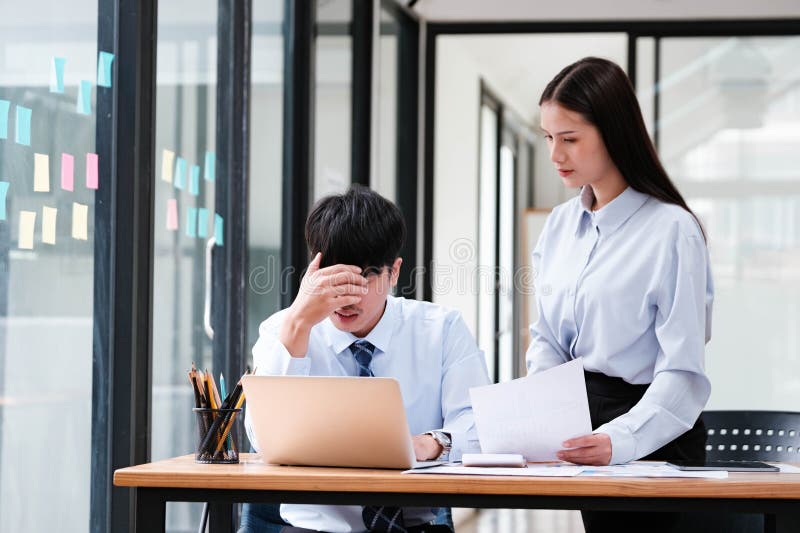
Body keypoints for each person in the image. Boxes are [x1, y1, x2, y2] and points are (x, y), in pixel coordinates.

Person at [527, 57, 714, 532]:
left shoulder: (673, 230)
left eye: (569, 139)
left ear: (613, 132)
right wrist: (544, 412)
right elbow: (546, 337)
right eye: (548, 138)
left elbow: (684, 372)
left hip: (653, 432)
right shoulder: (560, 225)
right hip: (583, 422)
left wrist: (621, 438)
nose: (555, 155)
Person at [240, 186, 490, 533]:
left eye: (366, 274)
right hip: (312, 529)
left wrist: (430, 443)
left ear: (395, 272)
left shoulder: (442, 330)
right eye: (333, 274)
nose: (347, 294)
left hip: (414, 526)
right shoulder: (282, 330)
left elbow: (481, 428)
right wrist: (298, 323)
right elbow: (262, 439)